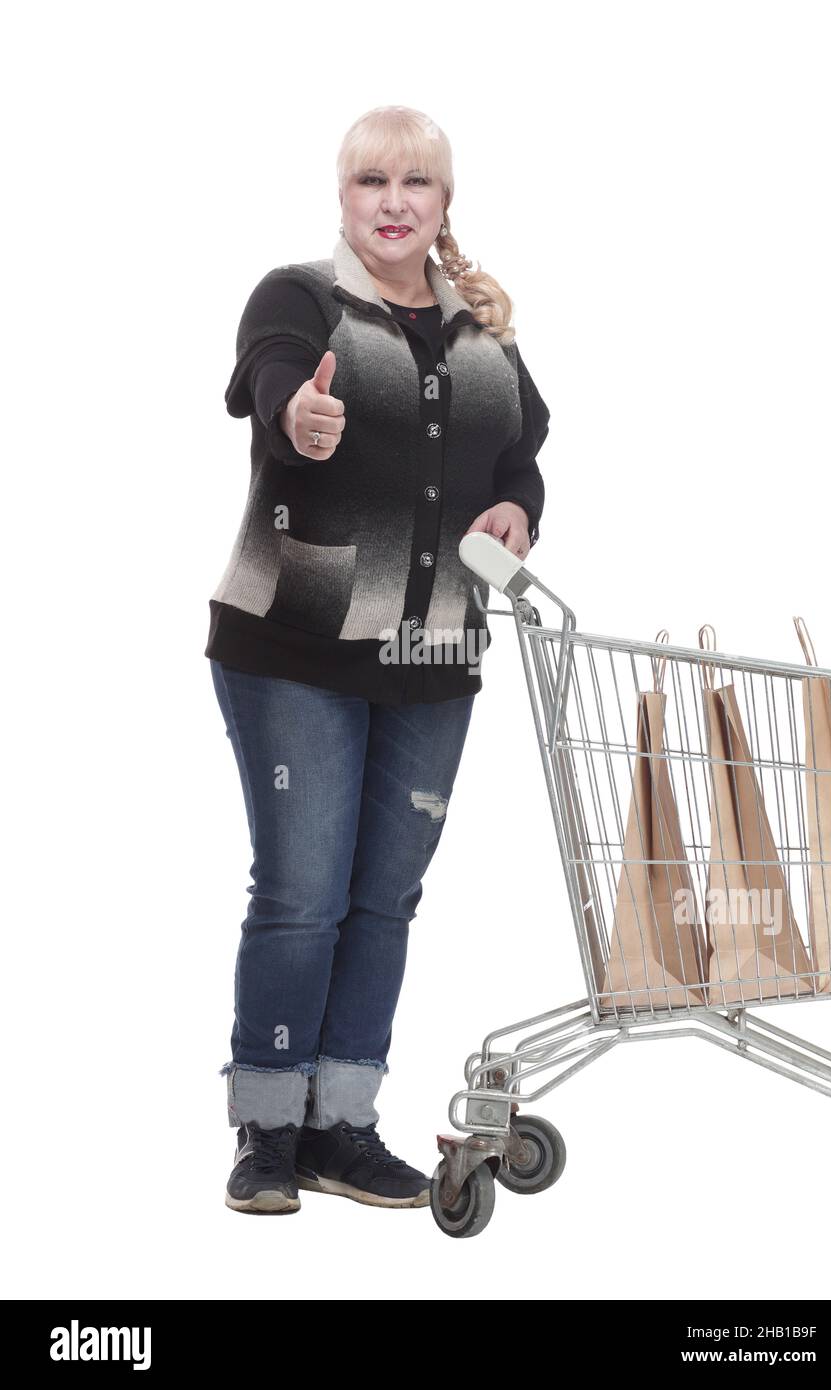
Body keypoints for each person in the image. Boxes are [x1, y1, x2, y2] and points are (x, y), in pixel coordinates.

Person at [207, 104, 551, 1215]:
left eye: (415, 183)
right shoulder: (299, 298)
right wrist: (298, 418)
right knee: (302, 894)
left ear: (445, 203)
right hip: (296, 645)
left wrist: (518, 508)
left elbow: (522, 453)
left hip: (432, 650)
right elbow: (274, 383)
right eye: (371, 181)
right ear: (343, 195)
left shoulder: (483, 333)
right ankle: (268, 1129)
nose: (393, 202)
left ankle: (341, 1126)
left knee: (384, 898)